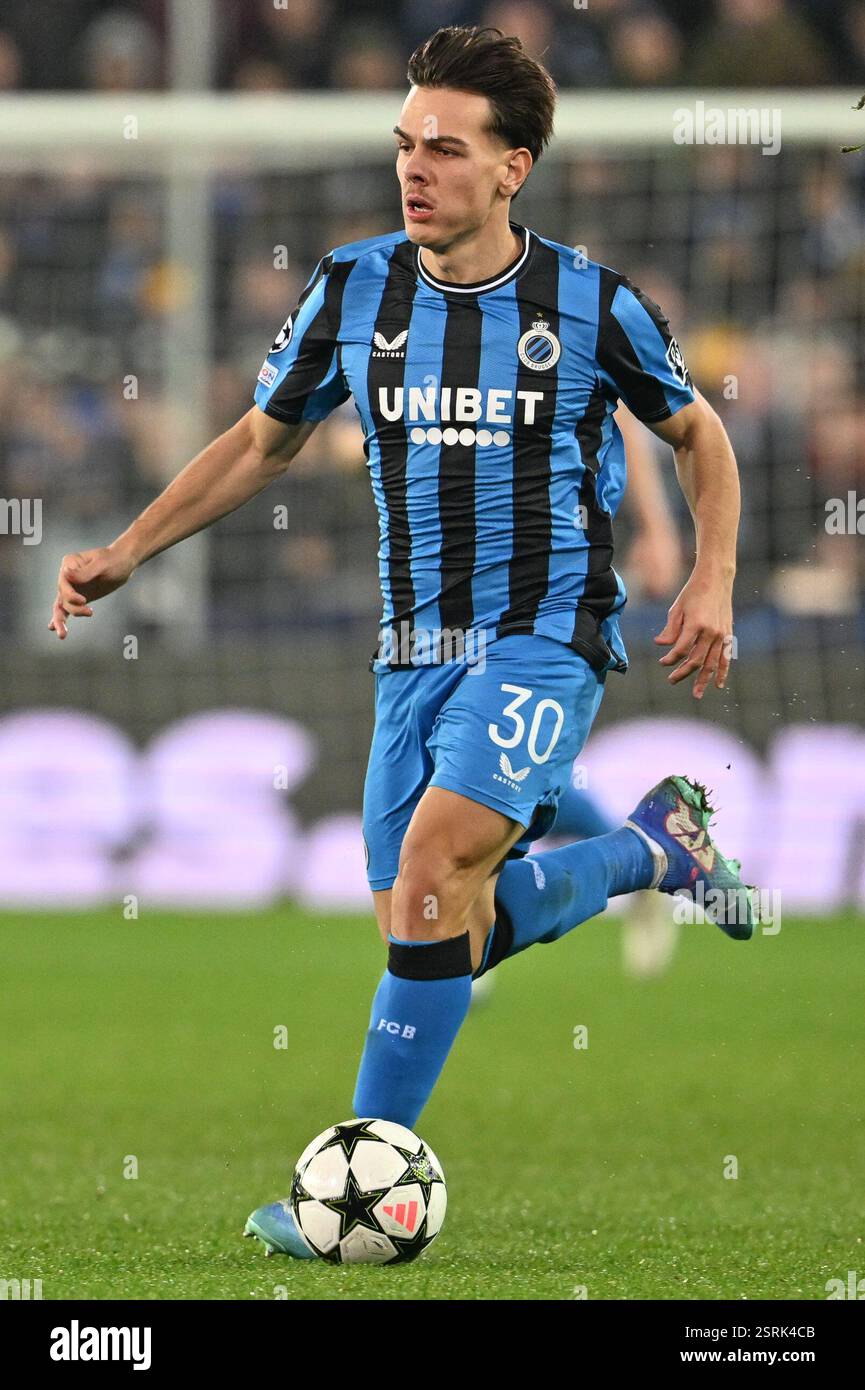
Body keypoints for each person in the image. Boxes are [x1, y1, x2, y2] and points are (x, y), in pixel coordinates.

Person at [49, 26, 754, 1261]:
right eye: (403, 146)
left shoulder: (591, 302)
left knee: (435, 869)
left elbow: (698, 434)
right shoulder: (349, 287)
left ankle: (354, 1187)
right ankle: (652, 847)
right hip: (410, 651)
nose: (414, 169)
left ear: (512, 168)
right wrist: (127, 548)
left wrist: (709, 575)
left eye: (445, 148)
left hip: (546, 636)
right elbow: (259, 442)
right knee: (434, 931)